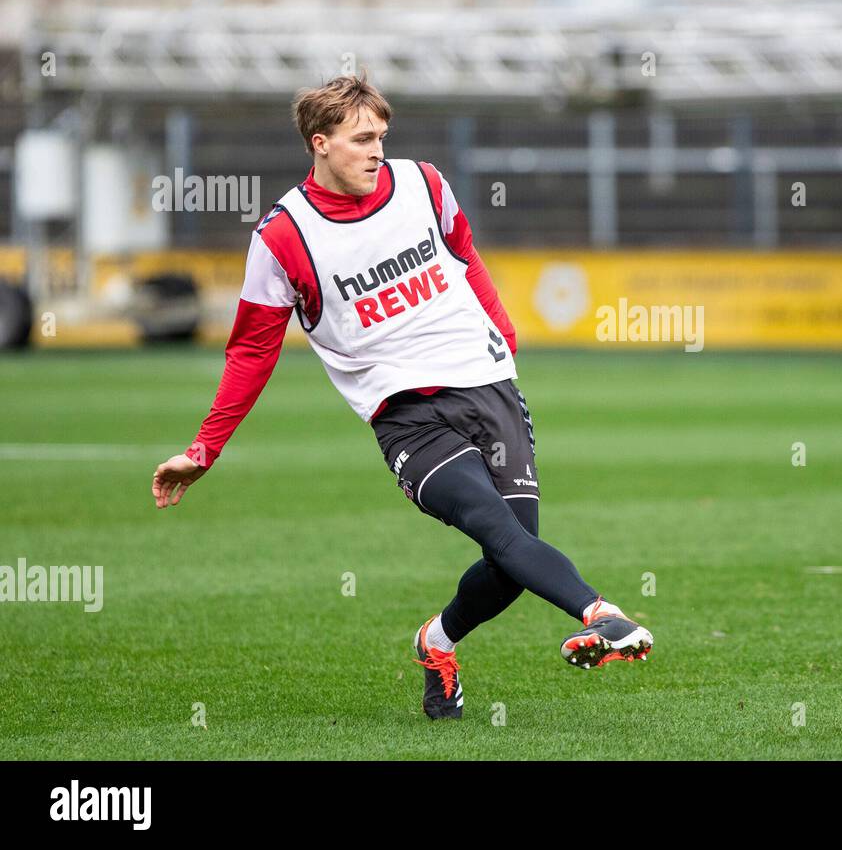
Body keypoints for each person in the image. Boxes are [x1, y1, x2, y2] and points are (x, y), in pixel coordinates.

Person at [151, 74, 652, 720]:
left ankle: (436, 643)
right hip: (409, 418)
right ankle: (600, 614)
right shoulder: (282, 237)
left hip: (489, 388)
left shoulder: (424, 184)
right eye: (362, 140)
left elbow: (464, 253)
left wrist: (503, 332)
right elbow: (252, 349)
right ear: (320, 143)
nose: (376, 151)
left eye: (382, 137)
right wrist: (204, 448)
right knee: (495, 528)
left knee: (511, 561)